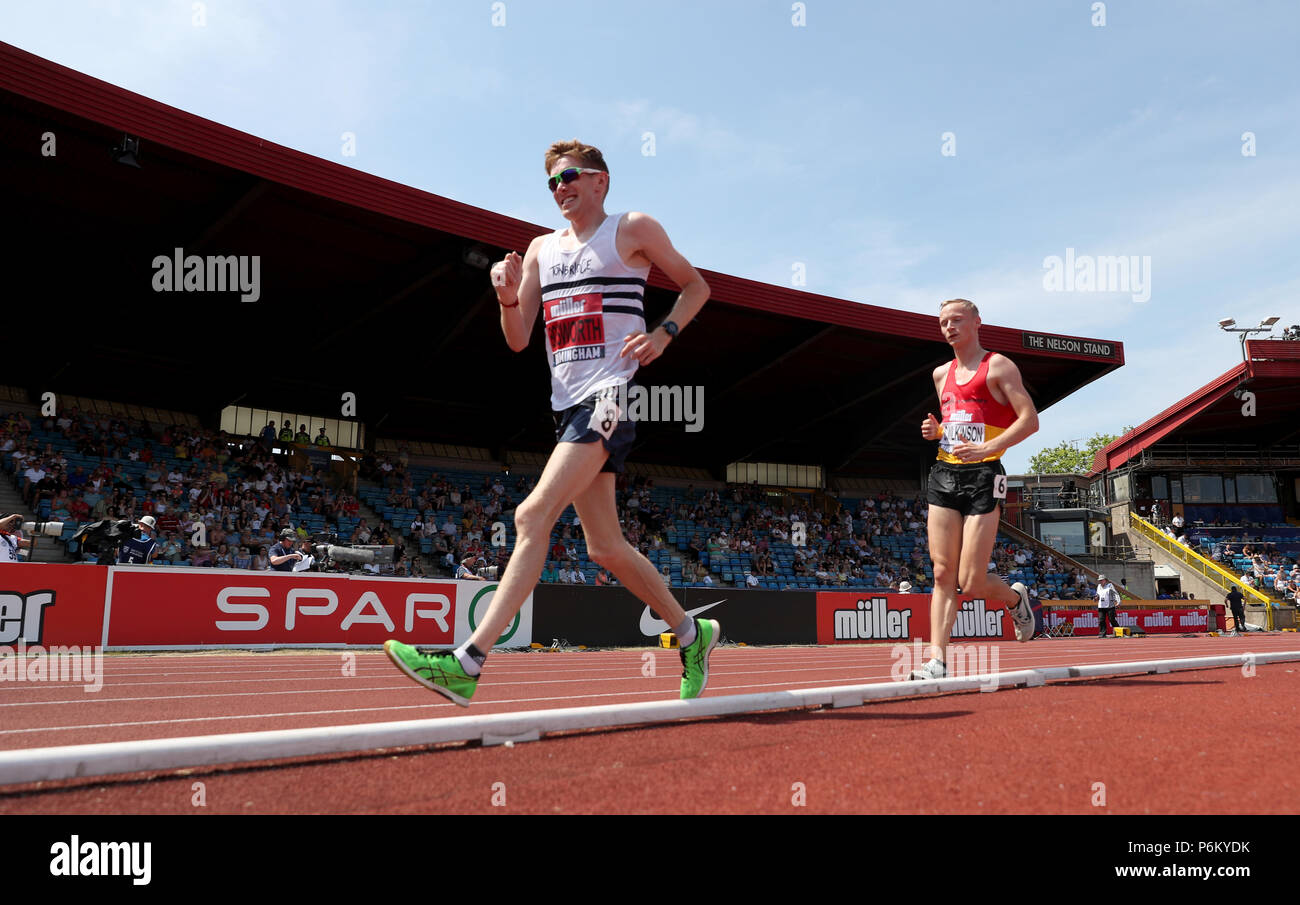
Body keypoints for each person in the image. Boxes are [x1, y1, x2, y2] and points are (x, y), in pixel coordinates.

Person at [385, 139, 715, 705]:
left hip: (610, 397)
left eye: (569, 177)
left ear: (599, 182)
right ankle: (692, 633)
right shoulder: (538, 250)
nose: (560, 188)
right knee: (605, 548)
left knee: (531, 512)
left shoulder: (631, 229)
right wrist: (508, 298)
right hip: (566, 406)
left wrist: (665, 333)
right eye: (552, 182)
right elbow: (517, 340)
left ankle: (467, 661)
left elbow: (697, 286)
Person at [910, 299, 1038, 679]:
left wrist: (986, 447)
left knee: (971, 581)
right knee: (942, 572)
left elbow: (1029, 421)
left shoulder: (997, 366)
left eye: (957, 320)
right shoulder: (940, 374)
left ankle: (1016, 600)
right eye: (943, 322)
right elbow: (958, 423)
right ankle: (937, 660)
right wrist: (938, 432)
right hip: (945, 475)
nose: (949, 327)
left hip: (984, 476)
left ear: (977, 322)